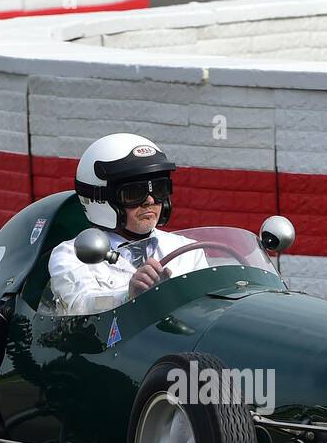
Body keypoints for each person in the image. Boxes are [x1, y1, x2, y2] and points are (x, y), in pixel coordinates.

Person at [48, 133, 207, 316]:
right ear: (101, 200)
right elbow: (80, 304)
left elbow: (207, 307)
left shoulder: (188, 251)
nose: (150, 201)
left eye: (159, 189)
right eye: (133, 193)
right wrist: (127, 296)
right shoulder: (73, 254)